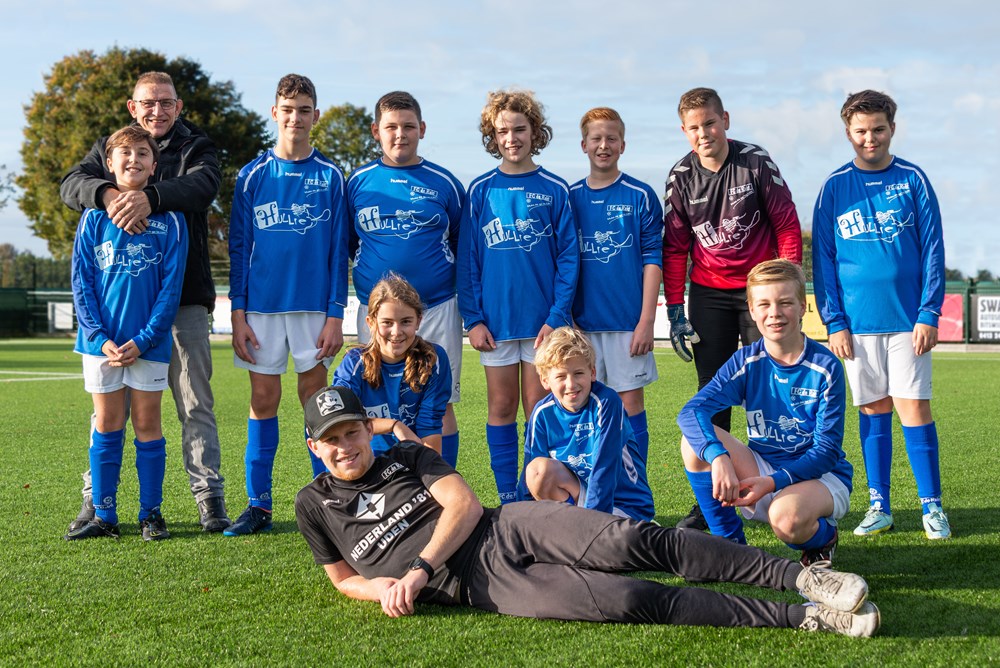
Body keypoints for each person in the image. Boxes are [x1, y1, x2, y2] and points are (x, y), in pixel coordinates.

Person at [294, 385, 879, 637]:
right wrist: (384, 589)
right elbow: (344, 579)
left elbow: (463, 504)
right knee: (631, 600)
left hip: (506, 525)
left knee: (638, 542)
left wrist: (417, 569)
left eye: (352, 431)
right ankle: (804, 617)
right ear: (314, 446)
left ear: (366, 430)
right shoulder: (312, 504)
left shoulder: (402, 455)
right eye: (332, 438)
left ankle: (804, 577)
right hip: (479, 586)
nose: (345, 446)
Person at [60, 71, 230, 532]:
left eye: (166, 102)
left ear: (178, 107)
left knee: (194, 403)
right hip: (119, 308)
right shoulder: (114, 145)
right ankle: (96, 500)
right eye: (147, 103)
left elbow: (203, 187)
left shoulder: (197, 145)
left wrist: (148, 198)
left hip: (184, 296)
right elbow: (71, 184)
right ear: (133, 108)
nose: (157, 110)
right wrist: (110, 193)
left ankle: (208, 498)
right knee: (107, 412)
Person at [663, 87, 803, 531]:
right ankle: (713, 502)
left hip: (757, 293)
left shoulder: (755, 162)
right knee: (713, 393)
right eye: (694, 127)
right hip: (707, 293)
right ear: (683, 131)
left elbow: (786, 224)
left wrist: (788, 289)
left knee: (772, 384)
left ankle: (787, 482)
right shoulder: (680, 177)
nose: (704, 133)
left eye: (710, 122)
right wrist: (675, 310)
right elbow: (675, 249)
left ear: (725, 119)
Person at [813, 90, 950, 540]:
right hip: (856, 325)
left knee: (914, 409)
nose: (869, 138)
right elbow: (824, 260)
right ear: (847, 133)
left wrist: (929, 312)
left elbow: (933, 248)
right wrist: (834, 321)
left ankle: (932, 507)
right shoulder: (834, 186)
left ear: (892, 128)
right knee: (873, 410)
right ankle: (880, 506)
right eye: (860, 131)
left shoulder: (913, 179)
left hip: (908, 321)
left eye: (878, 129)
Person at [225, 73, 349, 536]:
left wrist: (337, 314)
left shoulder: (332, 176)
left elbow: (340, 251)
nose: (295, 117)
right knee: (262, 399)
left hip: (315, 308)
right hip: (260, 308)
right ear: (274, 113)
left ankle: (328, 498)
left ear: (315, 116)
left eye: (304, 110)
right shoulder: (252, 175)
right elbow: (239, 247)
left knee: (316, 403)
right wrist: (237, 312)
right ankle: (258, 505)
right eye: (287, 109)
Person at [677, 259, 852, 566]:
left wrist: (772, 483)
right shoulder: (746, 361)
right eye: (764, 304)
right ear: (752, 309)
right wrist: (718, 456)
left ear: (802, 307)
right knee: (692, 443)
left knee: (785, 521)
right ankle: (731, 547)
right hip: (763, 465)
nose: (774, 313)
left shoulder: (825, 367)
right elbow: (692, 412)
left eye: (785, 302)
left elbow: (826, 452)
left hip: (819, 476)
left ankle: (825, 539)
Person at [457, 89, 579, 504]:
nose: (512, 138)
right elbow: (468, 261)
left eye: (520, 129)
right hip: (495, 322)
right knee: (502, 405)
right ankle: (508, 494)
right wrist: (472, 319)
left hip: (544, 323)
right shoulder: (479, 190)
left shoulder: (555, 189)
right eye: (502, 130)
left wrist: (558, 315)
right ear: (493, 136)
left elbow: (568, 259)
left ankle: (535, 494)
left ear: (535, 132)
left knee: (537, 406)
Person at [65, 126, 187, 541]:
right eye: (124, 153)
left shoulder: (170, 221)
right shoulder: (93, 219)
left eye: (142, 153)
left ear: (154, 167)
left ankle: (151, 514)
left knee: (148, 424)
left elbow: (171, 288)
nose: (133, 159)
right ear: (109, 164)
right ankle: (104, 515)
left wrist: (147, 337)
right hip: (101, 345)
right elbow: (81, 283)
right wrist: (100, 338)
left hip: (148, 345)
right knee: (107, 422)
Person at [346, 91, 465, 468]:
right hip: (376, 310)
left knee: (439, 402)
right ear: (375, 131)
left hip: (438, 306)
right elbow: (347, 244)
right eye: (391, 127)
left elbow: (462, 245)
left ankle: (443, 484)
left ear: (422, 129)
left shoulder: (445, 182)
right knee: (372, 401)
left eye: (408, 126)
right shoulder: (358, 183)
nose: (400, 134)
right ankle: (379, 483)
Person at [568, 107, 663, 473]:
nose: (603, 145)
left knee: (629, 406)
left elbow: (652, 260)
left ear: (622, 144)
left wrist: (646, 321)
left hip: (627, 324)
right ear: (584, 145)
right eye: (596, 139)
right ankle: (592, 487)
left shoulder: (640, 195)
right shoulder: (570, 196)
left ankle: (636, 488)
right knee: (584, 405)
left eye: (611, 138)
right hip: (582, 326)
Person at [522, 327, 655, 521]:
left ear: (592, 373)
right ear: (545, 380)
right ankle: (572, 531)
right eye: (560, 376)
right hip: (583, 499)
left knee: (609, 544)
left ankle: (590, 533)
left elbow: (605, 468)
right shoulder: (542, 412)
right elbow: (529, 471)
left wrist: (592, 524)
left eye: (578, 373)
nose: (571, 384)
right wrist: (519, 521)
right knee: (537, 471)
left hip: (623, 504)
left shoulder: (607, 402)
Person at [332, 273, 452, 457]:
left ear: (418, 321)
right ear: (371, 323)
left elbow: (430, 423)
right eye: (387, 323)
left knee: (456, 487)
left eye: (406, 322)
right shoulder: (354, 363)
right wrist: (394, 425)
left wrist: (430, 476)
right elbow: (341, 418)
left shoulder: (432, 359)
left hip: (414, 458)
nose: (396, 332)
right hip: (366, 462)